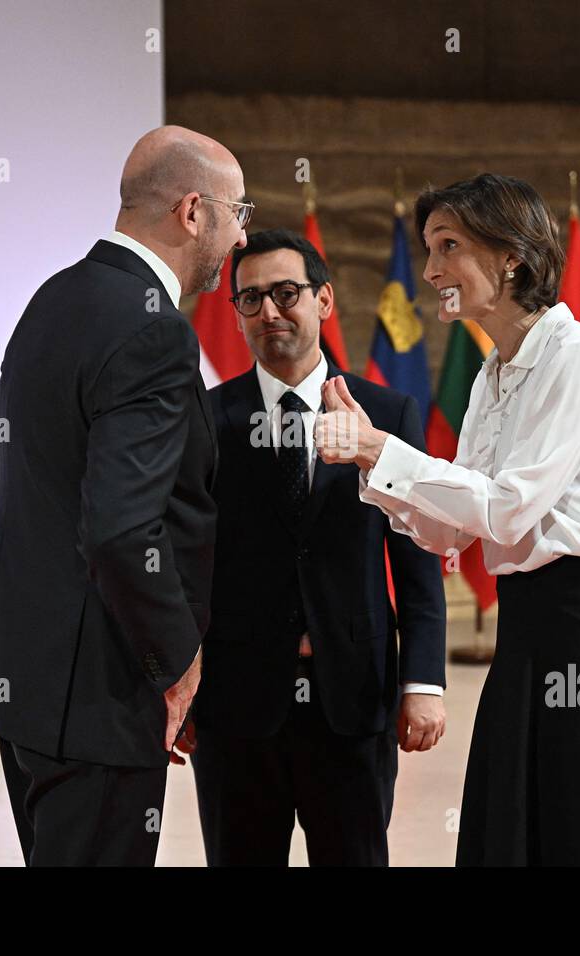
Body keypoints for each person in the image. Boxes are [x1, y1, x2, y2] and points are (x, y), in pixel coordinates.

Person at [314, 173, 580, 866]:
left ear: (512, 257)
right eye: (429, 248)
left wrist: (386, 450)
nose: (432, 269)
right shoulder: (492, 373)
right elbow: (454, 529)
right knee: (528, 833)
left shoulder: (579, 357)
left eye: (449, 247)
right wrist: (372, 471)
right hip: (530, 632)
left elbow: (508, 507)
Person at [0, 126, 250, 866]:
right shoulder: (152, 330)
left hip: (25, 679)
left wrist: (62, 588)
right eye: (238, 212)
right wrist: (176, 659)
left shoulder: (54, 299)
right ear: (194, 212)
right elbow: (123, 529)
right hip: (102, 693)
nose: (241, 234)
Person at [190, 228, 447, 866]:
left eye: (286, 293)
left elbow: (418, 563)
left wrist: (423, 681)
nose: (269, 311)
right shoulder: (204, 420)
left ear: (324, 300)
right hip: (237, 707)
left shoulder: (386, 411)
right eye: (250, 299)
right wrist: (179, 683)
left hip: (354, 700)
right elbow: (183, 568)